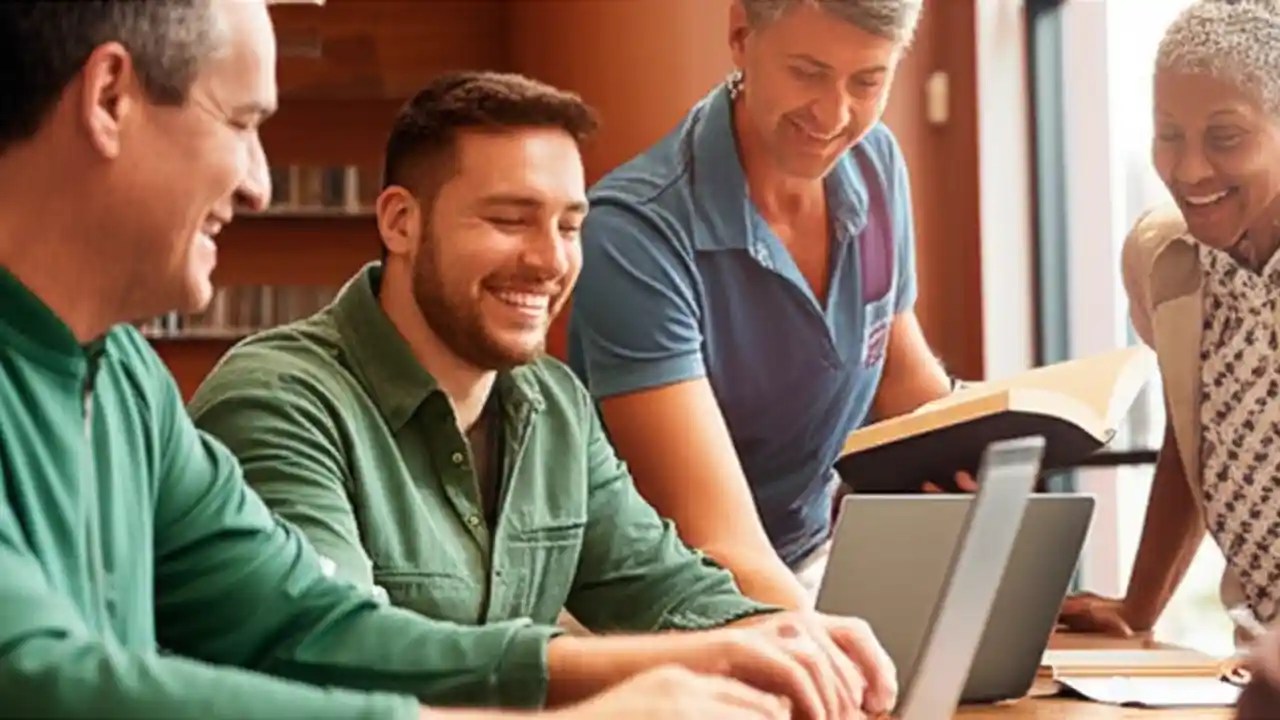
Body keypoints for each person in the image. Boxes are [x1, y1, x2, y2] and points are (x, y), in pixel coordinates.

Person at [0, 2, 798, 719]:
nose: (258, 186)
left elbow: (310, 624)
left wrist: (721, 654)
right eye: (241, 124)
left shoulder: (129, 380)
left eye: (568, 225)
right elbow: (41, 682)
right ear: (111, 98)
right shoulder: (274, 396)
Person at [188, 69, 898, 719]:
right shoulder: (276, 404)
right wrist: (680, 666)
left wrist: (789, 638)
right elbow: (341, 653)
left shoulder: (555, 404)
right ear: (401, 222)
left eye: (569, 225)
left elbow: (668, 587)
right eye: (509, 220)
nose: (551, 260)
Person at [564, 0, 957, 609]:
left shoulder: (874, 163)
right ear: (741, 35)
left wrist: (984, 479)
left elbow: (903, 383)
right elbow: (714, 539)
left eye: (866, 82)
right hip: (674, 596)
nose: (833, 115)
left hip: (812, 563)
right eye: (807, 73)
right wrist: (832, 646)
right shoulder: (633, 235)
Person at [1060, 0, 1280, 648]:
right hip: (1260, 656)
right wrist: (1139, 607)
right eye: (1169, 134)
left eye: (1225, 137)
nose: (1189, 170)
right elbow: (1194, 433)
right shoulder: (1164, 261)